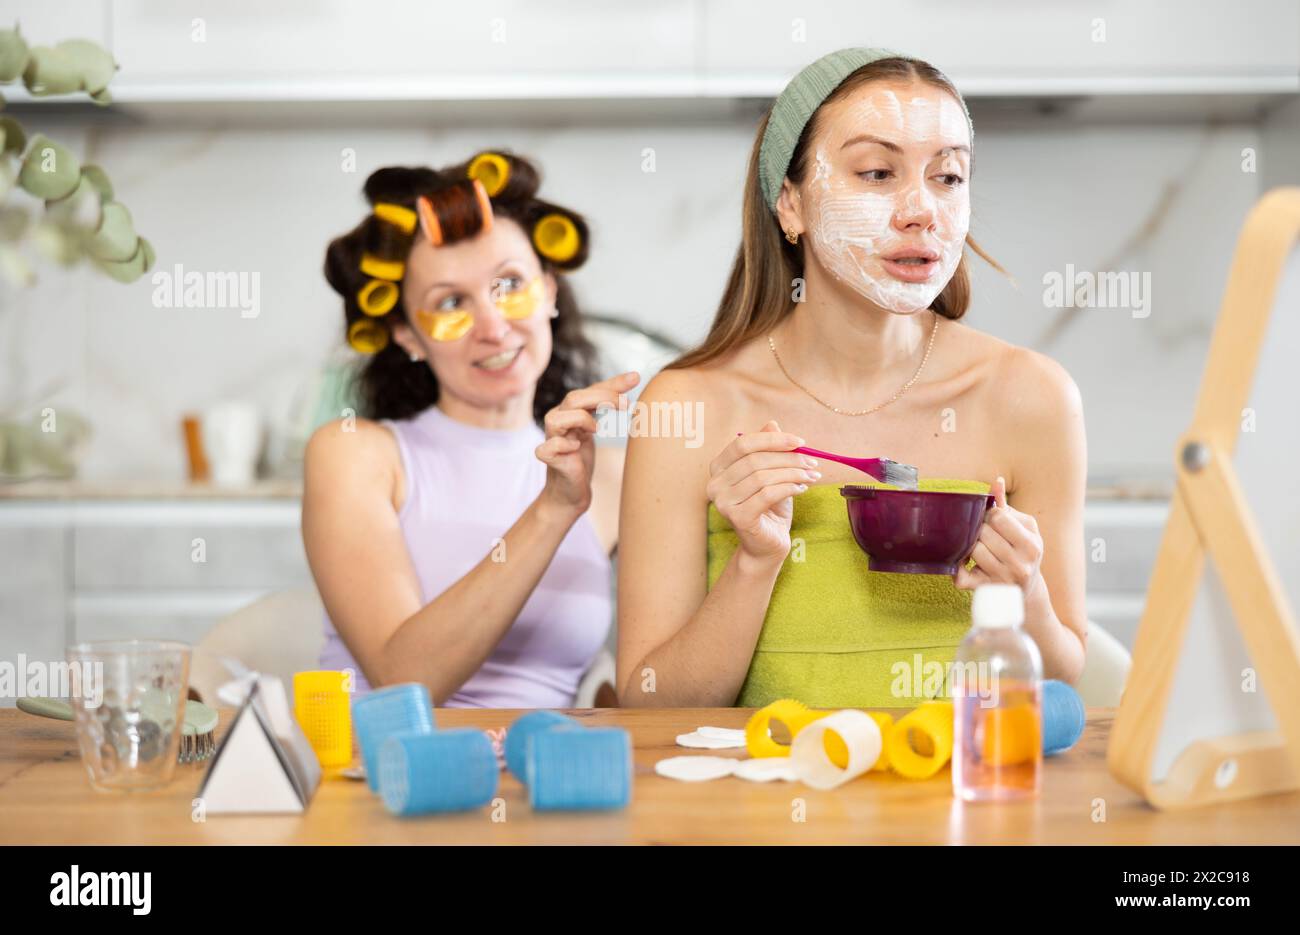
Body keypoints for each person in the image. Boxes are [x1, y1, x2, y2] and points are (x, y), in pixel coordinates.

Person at [617, 49, 1087, 708]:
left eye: (948, 177)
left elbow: (1066, 677)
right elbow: (649, 704)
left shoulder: (1032, 397)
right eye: (876, 172)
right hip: (759, 802)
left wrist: (1026, 592)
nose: (923, 210)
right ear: (790, 205)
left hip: (961, 802)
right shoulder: (688, 405)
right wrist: (754, 563)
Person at [305, 152, 636, 707]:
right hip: (385, 778)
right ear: (407, 334)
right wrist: (553, 508)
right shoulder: (355, 453)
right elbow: (407, 679)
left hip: (540, 780)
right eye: (451, 303)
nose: (492, 325)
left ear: (549, 291)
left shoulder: (616, 476)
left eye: (509, 284)